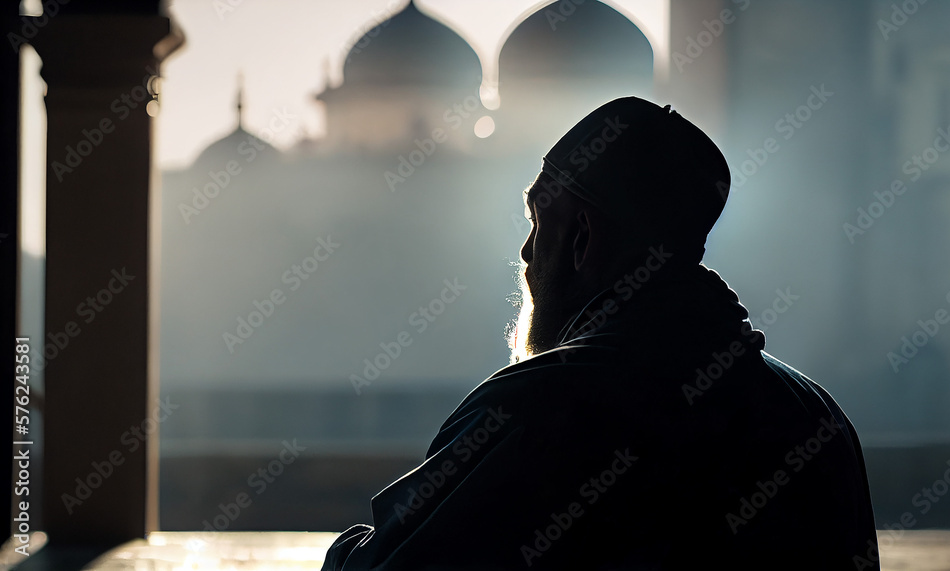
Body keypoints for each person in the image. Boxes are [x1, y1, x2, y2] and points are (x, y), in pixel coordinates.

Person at [322, 97, 879, 570]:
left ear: (581, 236)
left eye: (539, 224)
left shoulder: (541, 407)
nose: (525, 253)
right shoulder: (814, 415)